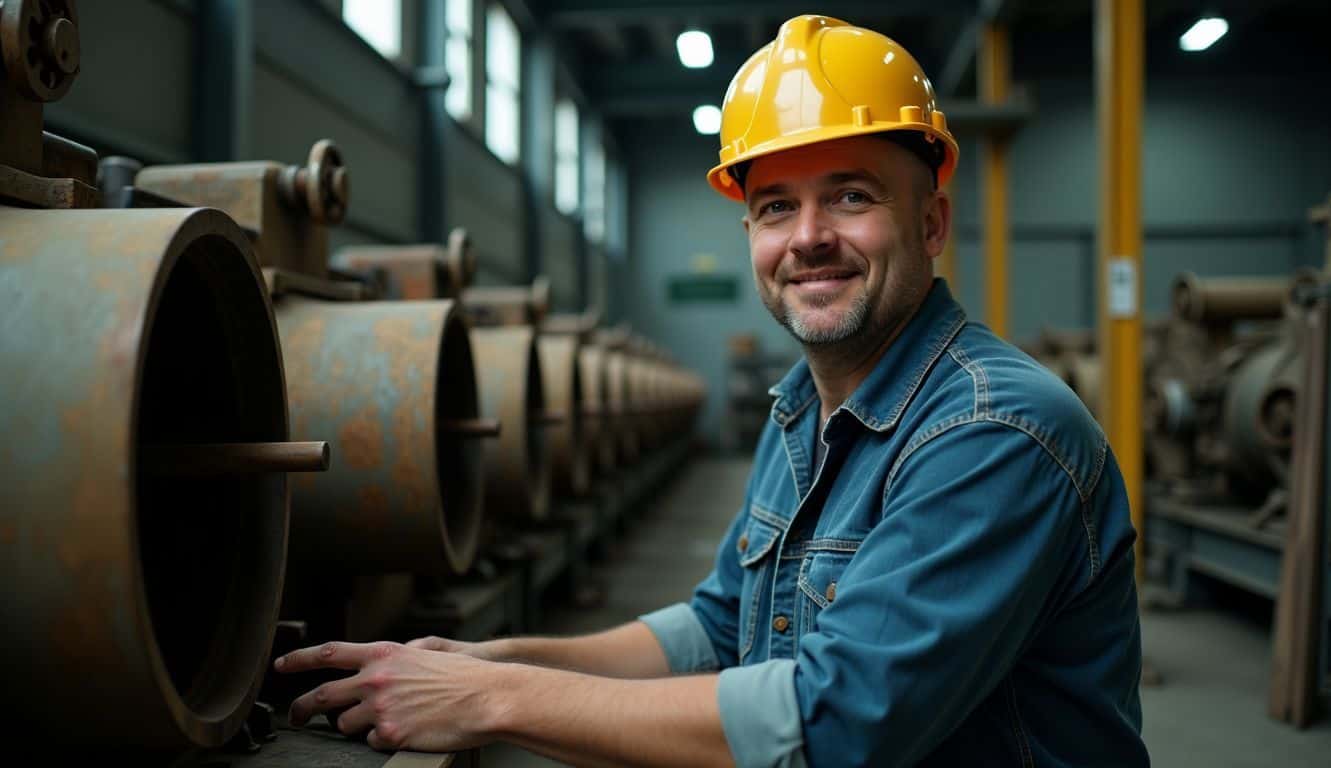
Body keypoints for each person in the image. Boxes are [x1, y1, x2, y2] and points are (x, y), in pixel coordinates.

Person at [275, 14, 1148, 767]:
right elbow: (719, 628)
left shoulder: (996, 432)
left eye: (850, 196)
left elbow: (836, 726)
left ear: (931, 222)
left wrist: (492, 700)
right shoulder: (803, 410)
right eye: (776, 206)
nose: (808, 238)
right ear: (749, 230)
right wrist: (490, 658)